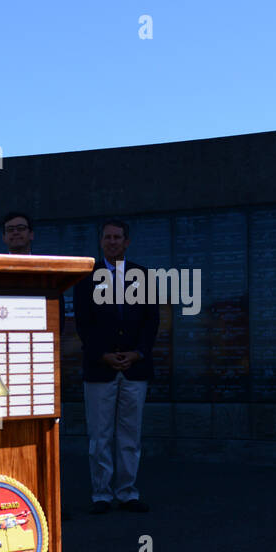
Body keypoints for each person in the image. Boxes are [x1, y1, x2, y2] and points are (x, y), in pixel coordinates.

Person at [72, 219, 159, 513]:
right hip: (100, 368)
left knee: (129, 436)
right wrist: (102, 355)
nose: (112, 242)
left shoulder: (142, 275)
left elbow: (152, 322)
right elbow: (82, 323)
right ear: (101, 242)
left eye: (117, 237)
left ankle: (127, 492)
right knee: (100, 436)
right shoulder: (86, 278)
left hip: (135, 369)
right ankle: (101, 495)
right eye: (107, 237)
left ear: (127, 242)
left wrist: (138, 353)